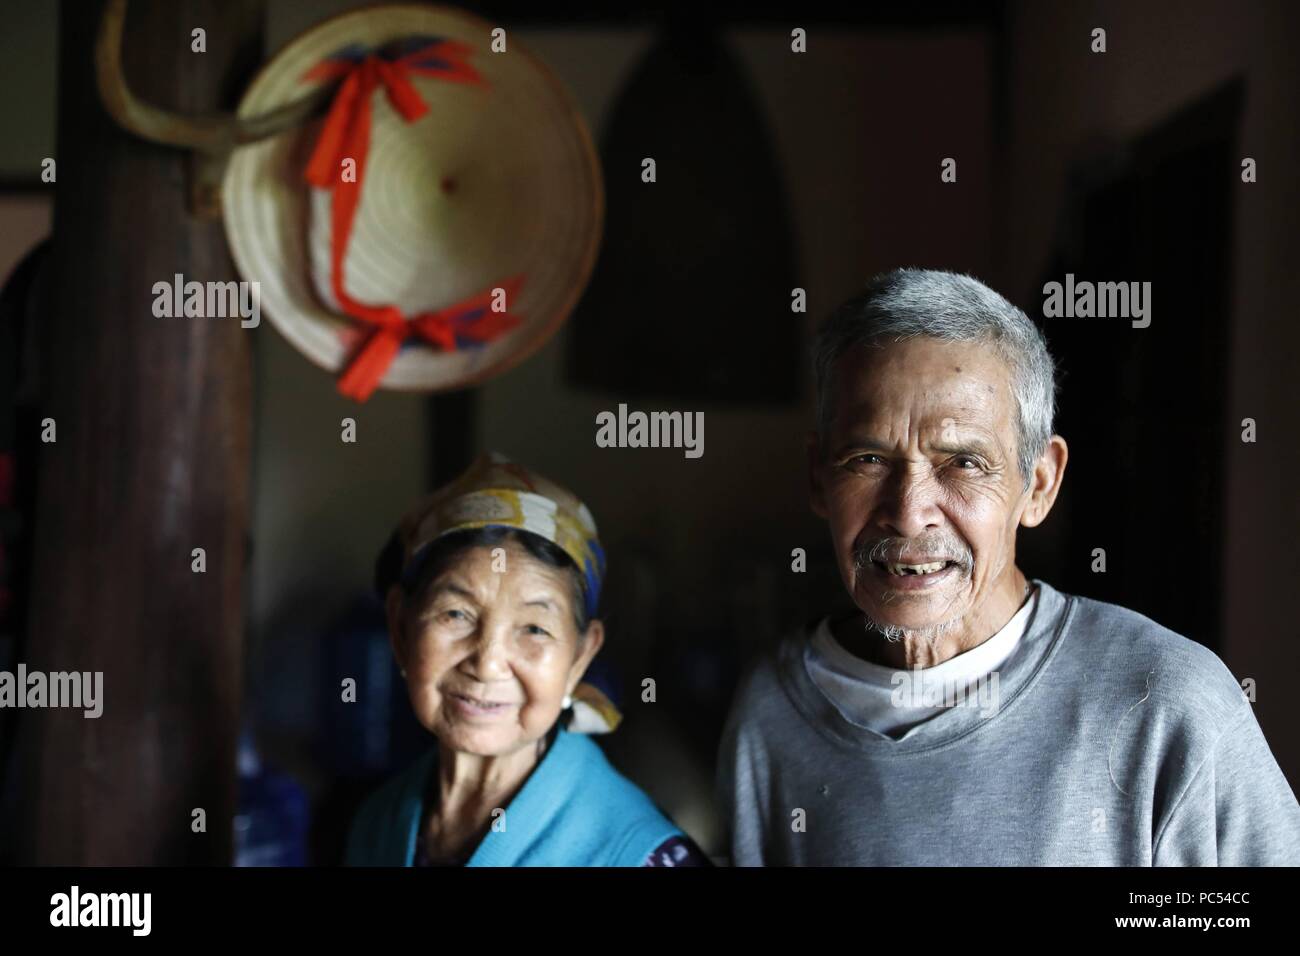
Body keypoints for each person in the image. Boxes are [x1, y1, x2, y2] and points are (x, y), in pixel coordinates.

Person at [717, 268, 1300, 865]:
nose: (910, 514)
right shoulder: (773, 711)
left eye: (964, 462)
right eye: (868, 458)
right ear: (819, 476)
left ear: (1039, 484)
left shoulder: (1168, 704)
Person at [347, 452, 708, 866]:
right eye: (456, 614)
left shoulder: (640, 856)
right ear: (400, 628)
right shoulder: (377, 825)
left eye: (534, 629)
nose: (487, 663)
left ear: (579, 657)